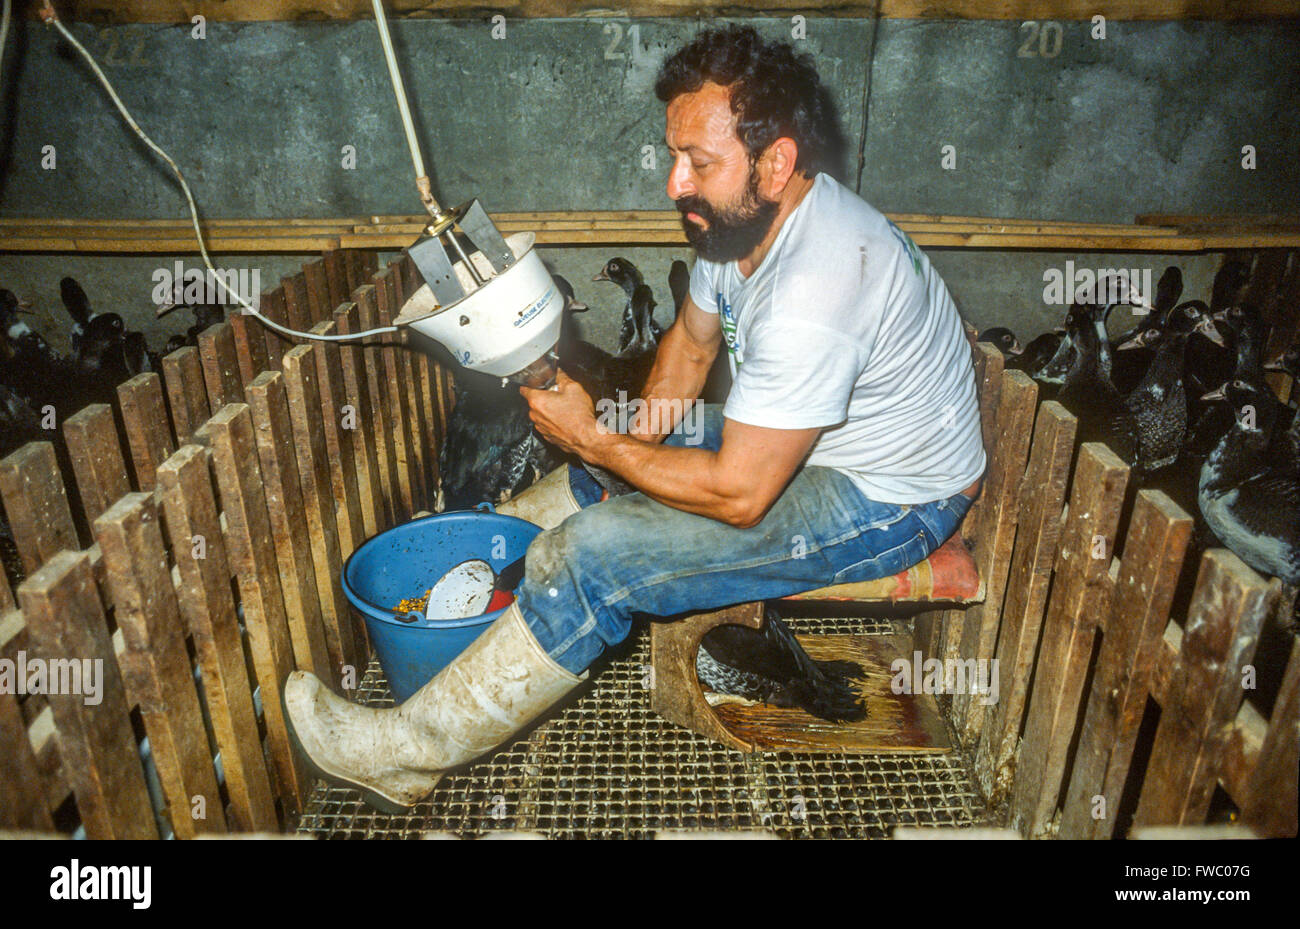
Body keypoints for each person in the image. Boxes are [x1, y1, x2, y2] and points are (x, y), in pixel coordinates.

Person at [283, 24, 986, 812]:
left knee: (591, 556)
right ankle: (483, 580)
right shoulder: (738, 227)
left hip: (891, 495)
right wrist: (623, 445)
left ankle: (407, 755)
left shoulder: (818, 287)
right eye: (673, 155)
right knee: (610, 456)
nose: (674, 183)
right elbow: (688, 344)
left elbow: (741, 495)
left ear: (777, 161)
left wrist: (599, 442)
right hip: (813, 443)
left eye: (700, 163)